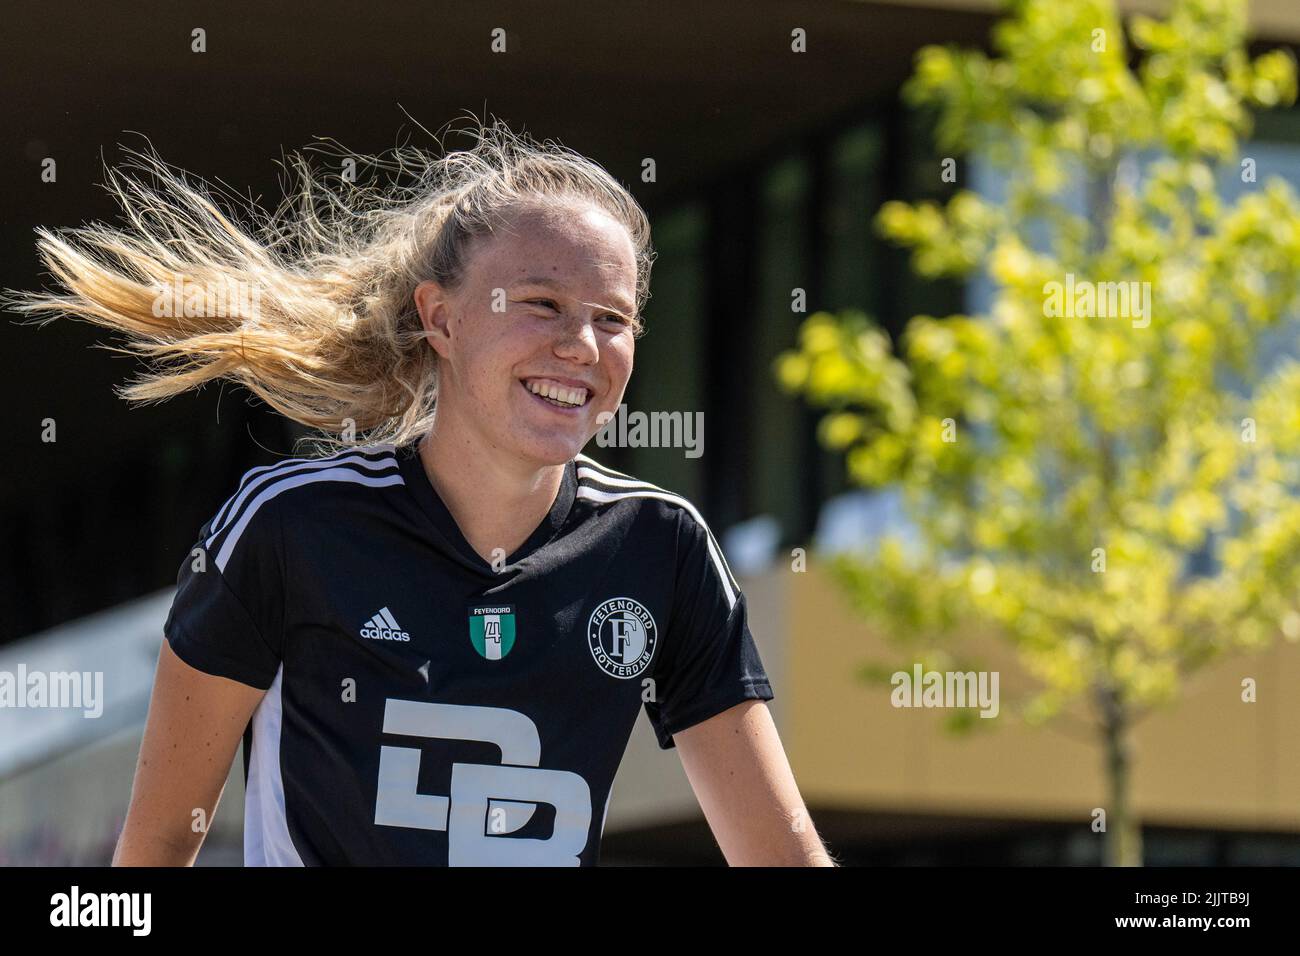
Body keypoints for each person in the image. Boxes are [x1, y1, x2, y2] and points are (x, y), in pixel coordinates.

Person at [9, 118, 836, 866]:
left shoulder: (663, 548)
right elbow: (154, 850)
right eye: (541, 304)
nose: (581, 345)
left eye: (612, 318)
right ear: (440, 320)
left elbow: (781, 857)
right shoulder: (290, 528)